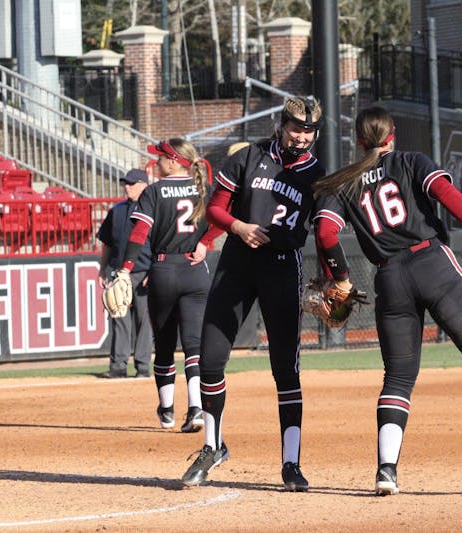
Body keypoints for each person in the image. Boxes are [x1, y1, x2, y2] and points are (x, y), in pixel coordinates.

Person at [311, 106, 462, 496]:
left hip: (389, 277)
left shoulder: (343, 183)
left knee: (397, 378)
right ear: (392, 135)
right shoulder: (410, 161)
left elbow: (325, 233)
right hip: (432, 265)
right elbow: (446, 193)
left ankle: (386, 471)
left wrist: (341, 279)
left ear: (359, 141)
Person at [180, 96, 325, 492]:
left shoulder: (317, 174)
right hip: (238, 263)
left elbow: (325, 229)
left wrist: (335, 276)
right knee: (210, 360)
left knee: (285, 369)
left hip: (282, 266)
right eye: (295, 128)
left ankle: (291, 463)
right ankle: (213, 446)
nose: (301, 136)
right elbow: (215, 210)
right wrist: (239, 227)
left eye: (308, 131)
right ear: (281, 124)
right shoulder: (249, 157)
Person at [115, 139, 222, 433]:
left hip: (163, 270)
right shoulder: (202, 188)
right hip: (195, 270)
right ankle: (196, 407)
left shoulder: (153, 191)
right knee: (194, 345)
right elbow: (224, 218)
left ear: (174, 161)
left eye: (161, 157)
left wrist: (125, 269)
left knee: (164, 345)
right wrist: (204, 242)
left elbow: (140, 232)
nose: (157, 162)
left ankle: (167, 410)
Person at [97, 169, 153, 379]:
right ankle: (118, 365)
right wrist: (103, 269)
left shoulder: (152, 208)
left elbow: (159, 242)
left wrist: (154, 271)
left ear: (144, 184)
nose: (127, 187)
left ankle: (143, 366)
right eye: (125, 183)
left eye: (131, 183)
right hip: (119, 272)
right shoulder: (117, 210)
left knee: (144, 321)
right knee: (118, 316)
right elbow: (107, 243)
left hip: (143, 271)